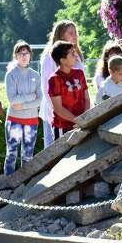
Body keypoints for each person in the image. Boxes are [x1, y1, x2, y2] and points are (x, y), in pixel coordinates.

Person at [40, 20, 83, 148]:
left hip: (75, 112)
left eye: (75, 33)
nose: (74, 36)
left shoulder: (77, 56)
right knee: (54, 151)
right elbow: (46, 88)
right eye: (70, 33)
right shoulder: (49, 57)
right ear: (61, 35)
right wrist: (59, 112)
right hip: (56, 114)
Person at [3, 40, 42, 176]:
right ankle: (8, 184)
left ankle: (25, 185)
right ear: (16, 56)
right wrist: (31, 96)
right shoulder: (11, 75)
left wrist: (24, 104)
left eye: (26, 53)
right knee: (12, 154)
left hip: (31, 121)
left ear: (30, 55)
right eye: (21, 53)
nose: (24, 56)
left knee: (28, 156)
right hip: (14, 120)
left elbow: (39, 100)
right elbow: (13, 100)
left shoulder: (36, 75)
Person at [47, 40, 90, 137]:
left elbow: (86, 98)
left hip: (82, 124)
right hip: (63, 127)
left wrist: (85, 118)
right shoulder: (54, 79)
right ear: (62, 60)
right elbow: (58, 109)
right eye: (72, 54)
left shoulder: (79, 73)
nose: (76, 56)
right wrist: (77, 120)